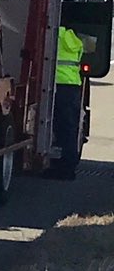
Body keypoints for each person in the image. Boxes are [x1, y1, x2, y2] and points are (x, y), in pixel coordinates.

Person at [51, 21, 84, 178]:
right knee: (68, 129)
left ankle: (61, 167)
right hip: (73, 86)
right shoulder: (74, 39)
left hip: (57, 84)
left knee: (58, 127)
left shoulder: (53, 34)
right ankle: (68, 166)